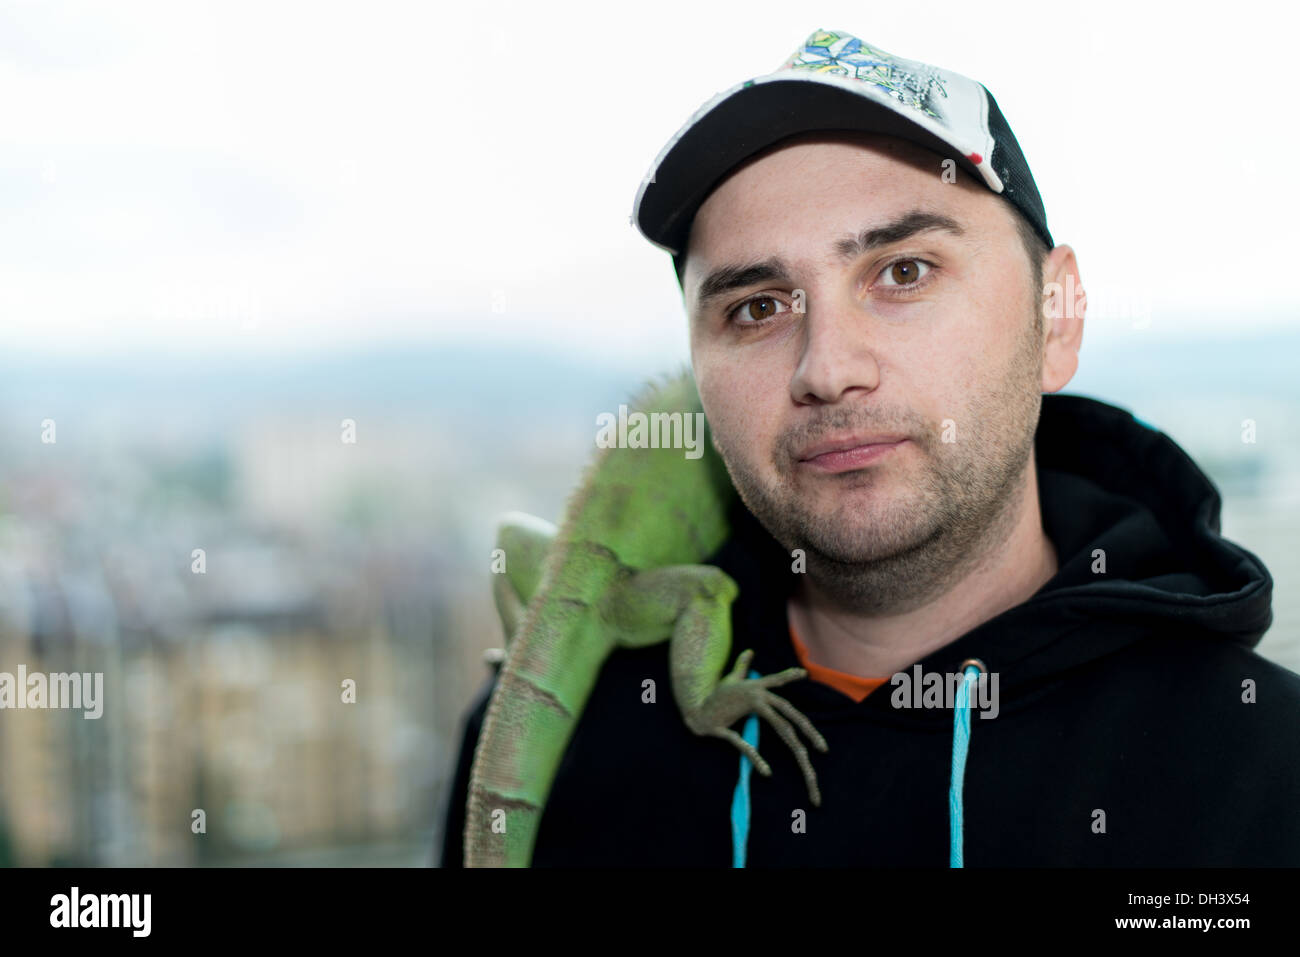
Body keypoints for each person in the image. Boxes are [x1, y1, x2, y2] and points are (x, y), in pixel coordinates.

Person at [439, 29, 1300, 866]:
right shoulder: (558, 751)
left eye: (903, 272)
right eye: (758, 306)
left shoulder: (1263, 779)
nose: (827, 368)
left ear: (1058, 315)